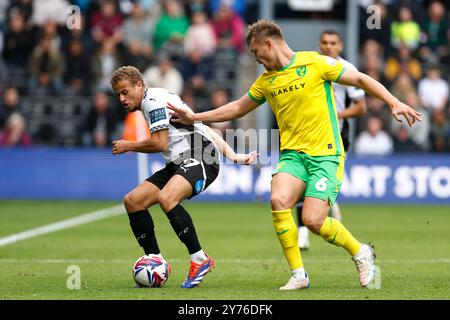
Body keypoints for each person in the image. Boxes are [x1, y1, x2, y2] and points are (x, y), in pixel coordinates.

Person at [167, 19, 421, 290]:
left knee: (313, 220)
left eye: (255, 51)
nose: (255, 58)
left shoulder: (315, 63)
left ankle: (360, 252)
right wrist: (194, 117)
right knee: (278, 199)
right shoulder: (266, 81)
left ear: (268, 44)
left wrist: (393, 102)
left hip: (326, 154)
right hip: (292, 155)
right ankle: (299, 274)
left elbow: (359, 78)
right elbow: (237, 108)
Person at [110, 66, 258, 289]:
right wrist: (233, 155)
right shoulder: (156, 99)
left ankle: (199, 258)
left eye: (125, 92)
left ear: (139, 85)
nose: (121, 98)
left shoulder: (154, 101)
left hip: (201, 158)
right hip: (178, 162)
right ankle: (155, 260)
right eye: (118, 94)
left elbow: (160, 143)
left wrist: (128, 145)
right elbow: (200, 126)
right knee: (133, 202)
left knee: (167, 198)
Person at [296, 30, 367, 250]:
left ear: (340, 46)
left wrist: (335, 115)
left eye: (332, 43)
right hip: (308, 133)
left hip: (336, 136)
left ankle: (329, 201)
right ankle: (302, 234)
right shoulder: (310, 66)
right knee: (303, 181)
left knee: (319, 181)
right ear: (319, 44)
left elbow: (360, 108)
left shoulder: (348, 70)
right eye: (324, 42)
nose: (328, 46)